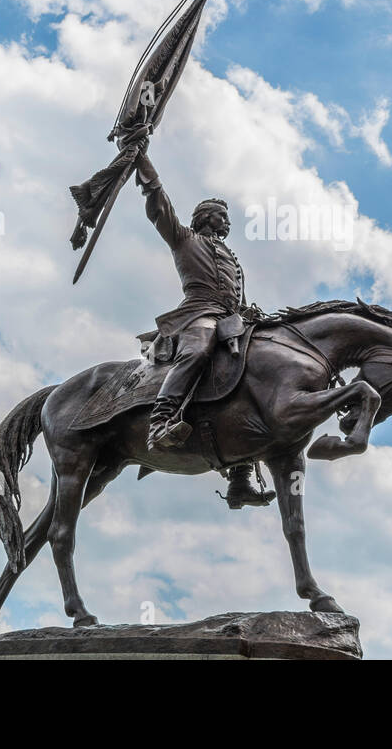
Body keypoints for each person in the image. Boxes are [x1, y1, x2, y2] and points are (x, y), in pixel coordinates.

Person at [131, 140, 275, 508]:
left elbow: (235, 298)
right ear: (204, 217)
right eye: (220, 215)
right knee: (197, 351)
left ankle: (241, 477)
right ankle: (161, 421)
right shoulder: (184, 239)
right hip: (198, 314)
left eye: (226, 218)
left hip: (232, 320)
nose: (226, 221)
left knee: (260, 373)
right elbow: (158, 206)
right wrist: (142, 163)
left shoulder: (231, 256)